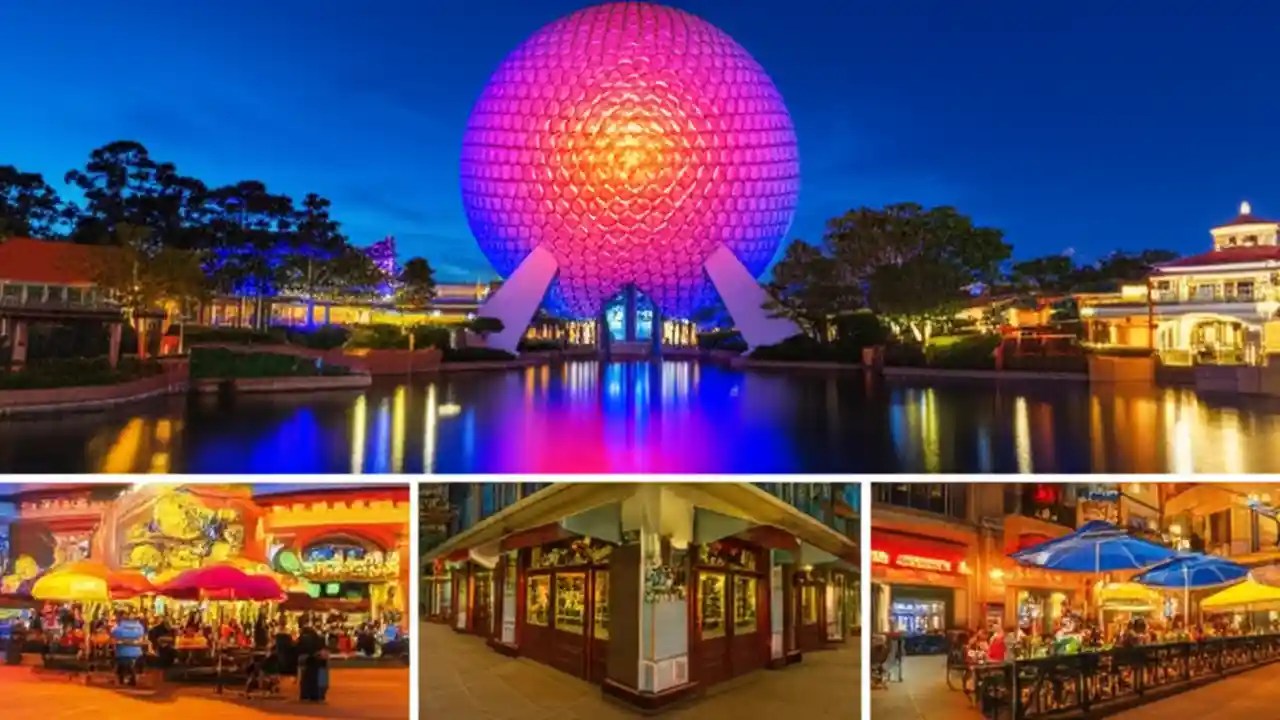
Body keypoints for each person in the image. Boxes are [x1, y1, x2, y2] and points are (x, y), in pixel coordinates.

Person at [111, 610, 146, 687]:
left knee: (123, 664)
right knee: (129, 665)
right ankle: (129, 679)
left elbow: (114, 634)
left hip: (122, 650)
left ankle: (124, 679)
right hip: (136, 651)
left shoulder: (120, 627)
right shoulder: (139, 626)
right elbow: (142, 637)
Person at [296, 621, 329, 702]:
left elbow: (297, 650)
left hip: (307, 660)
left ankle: (305, 695)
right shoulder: (319, 638)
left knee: (306, 676)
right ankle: (320, 695)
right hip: (319, 661)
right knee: (322, 674)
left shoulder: (302, 638)